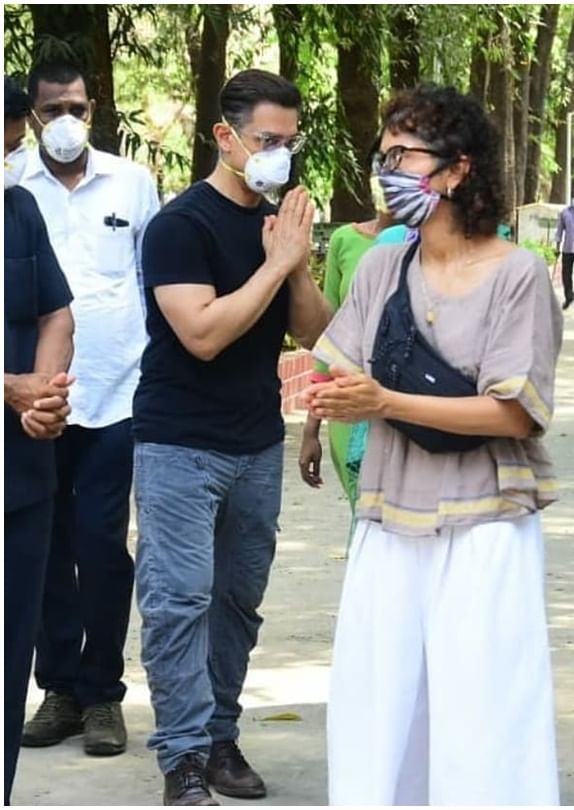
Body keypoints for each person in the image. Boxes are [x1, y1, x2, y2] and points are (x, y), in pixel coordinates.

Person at [305, 84, 562, 806]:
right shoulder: (384, 266)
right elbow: (341, 360)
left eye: (404, 154)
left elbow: (515, 415)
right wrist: (326, 393)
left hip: (486, 520)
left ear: (456, 170)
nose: (387, 168)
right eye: (382, 154)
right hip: (390, 514)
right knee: (377, 703)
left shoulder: (518, 273)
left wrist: (382, 401)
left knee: (482, 711)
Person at [132, 69, 330, 805]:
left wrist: (295, 262)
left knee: (237, 601)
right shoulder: (180, 226)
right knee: (179, 599)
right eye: (265, 140)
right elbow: (203, 333)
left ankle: (218, 737)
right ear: (225, 137)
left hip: (255, 442)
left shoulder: (273, 227)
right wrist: (275, 264)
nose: (278, 153)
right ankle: (180, 756)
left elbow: (316, 331)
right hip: (179, 442)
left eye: (288, 141)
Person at [15, 60, 160, 760]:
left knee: (102, 546)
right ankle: (60, 689)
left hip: (116, 392)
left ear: (93, 106)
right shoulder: (12, 185)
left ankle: (104, 694)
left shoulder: (131, 182)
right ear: (33, 116)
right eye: (50, 110)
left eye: (74, 105)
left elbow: (153, 278)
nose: (63, 120)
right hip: (36, 398)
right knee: (44, 550)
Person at [3, 74, 75, 806]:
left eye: (13, 147)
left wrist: (43, 394)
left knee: (7, 664)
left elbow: (56, 311)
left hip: (21, 481)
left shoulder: (19, 212)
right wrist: (7, 386)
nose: (10, 160)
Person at [299, 135, 408, 524]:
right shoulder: (346, 242)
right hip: (350, 407)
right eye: (382, 167)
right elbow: (331, 338)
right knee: (365, 521)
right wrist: (312, 428)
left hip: (416, 408)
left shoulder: (437, 246)